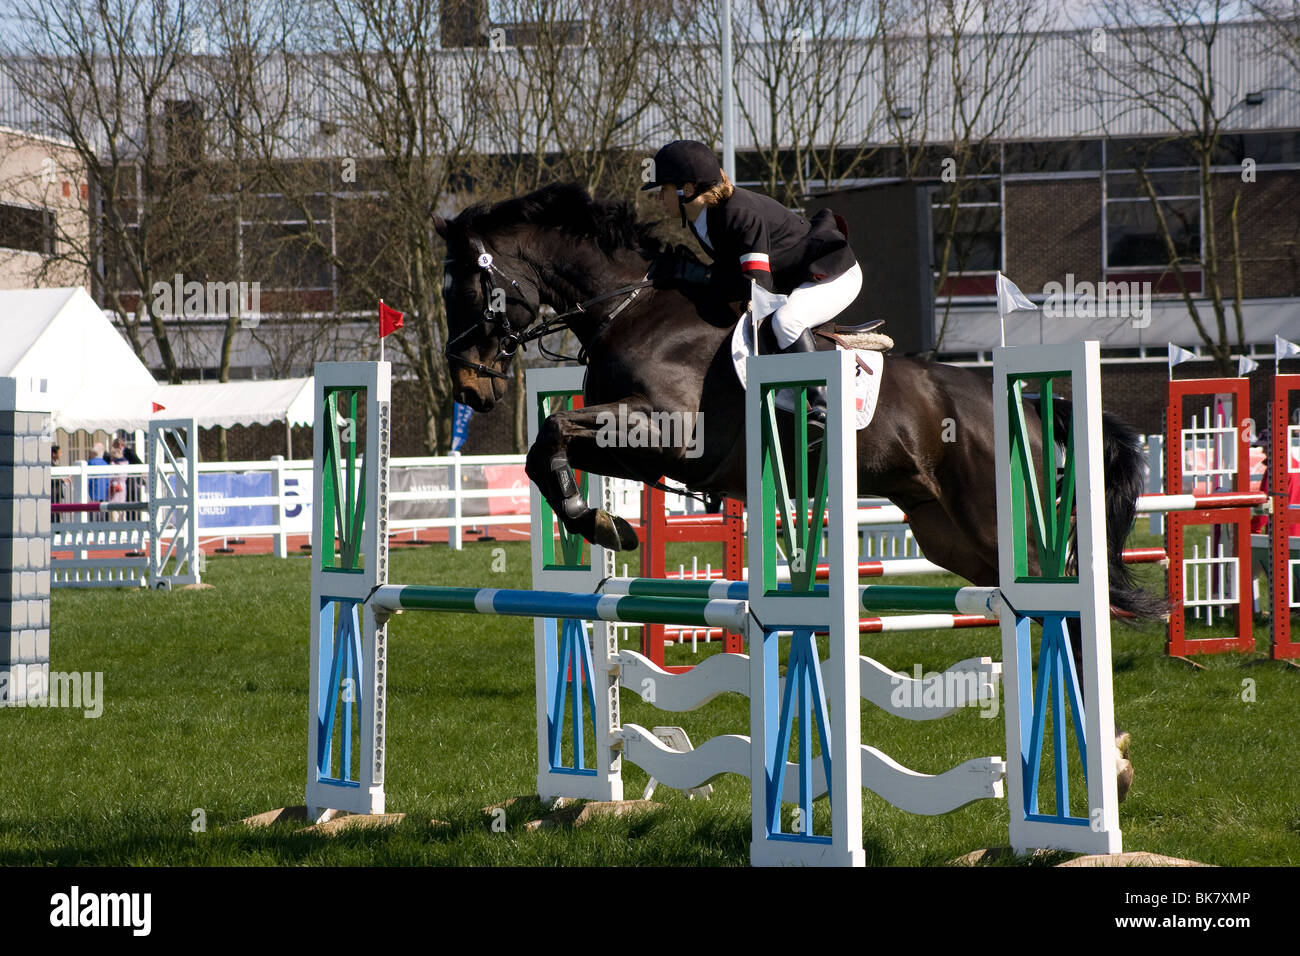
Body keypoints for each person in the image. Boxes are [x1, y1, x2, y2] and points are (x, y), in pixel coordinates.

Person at [644, 139, 862, 435]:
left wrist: (702, 278)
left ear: (689, 189)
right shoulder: (701, 218)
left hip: (832, 273)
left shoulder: (738, 213)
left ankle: (821, 406)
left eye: (664, 190)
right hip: (795, 279)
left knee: (786, 321)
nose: (658, 198)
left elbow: (758, 290)